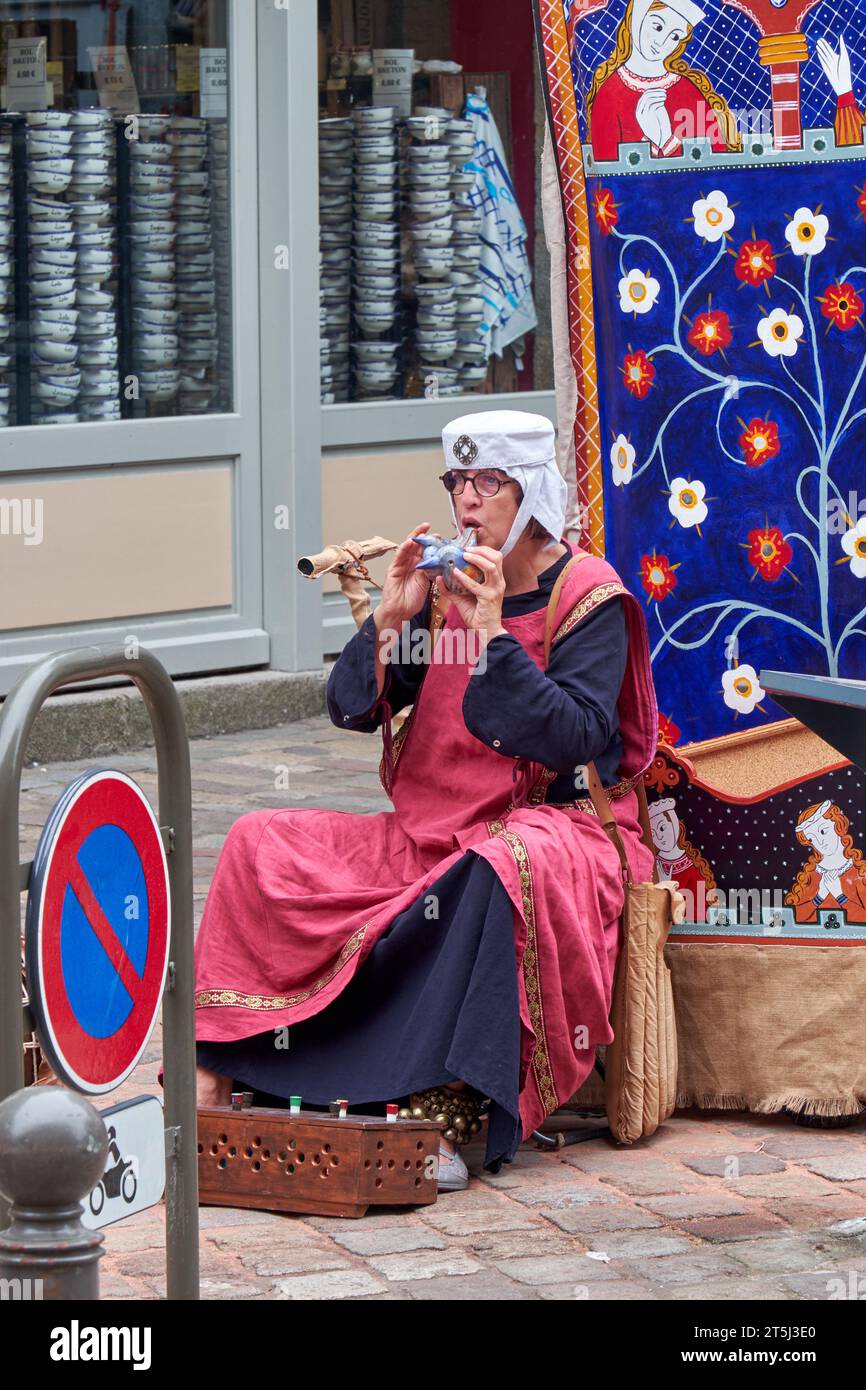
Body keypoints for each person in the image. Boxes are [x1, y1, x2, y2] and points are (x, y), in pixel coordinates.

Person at [193, 411, 659, 1191]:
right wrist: (391, 616)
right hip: (429, 837)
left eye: (488, 484)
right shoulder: (443, 597)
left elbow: (578, 736)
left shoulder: (587, 594)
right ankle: (228, 1067)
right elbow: (352, 707)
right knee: (258, 838)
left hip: (558, 832)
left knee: (494, 865)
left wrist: (492, 635)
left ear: (532, 492)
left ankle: (436, 1104)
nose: (467, 502)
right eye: (457, 483)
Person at [586, 0, 740, 162]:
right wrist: (650, 142)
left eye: (674, 37)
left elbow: (717, 163)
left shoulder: (689, 91)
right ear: (636, 18)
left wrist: (666, 140)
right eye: (657, 27)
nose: (661, 42)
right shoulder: (609, 93)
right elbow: (606, 174)